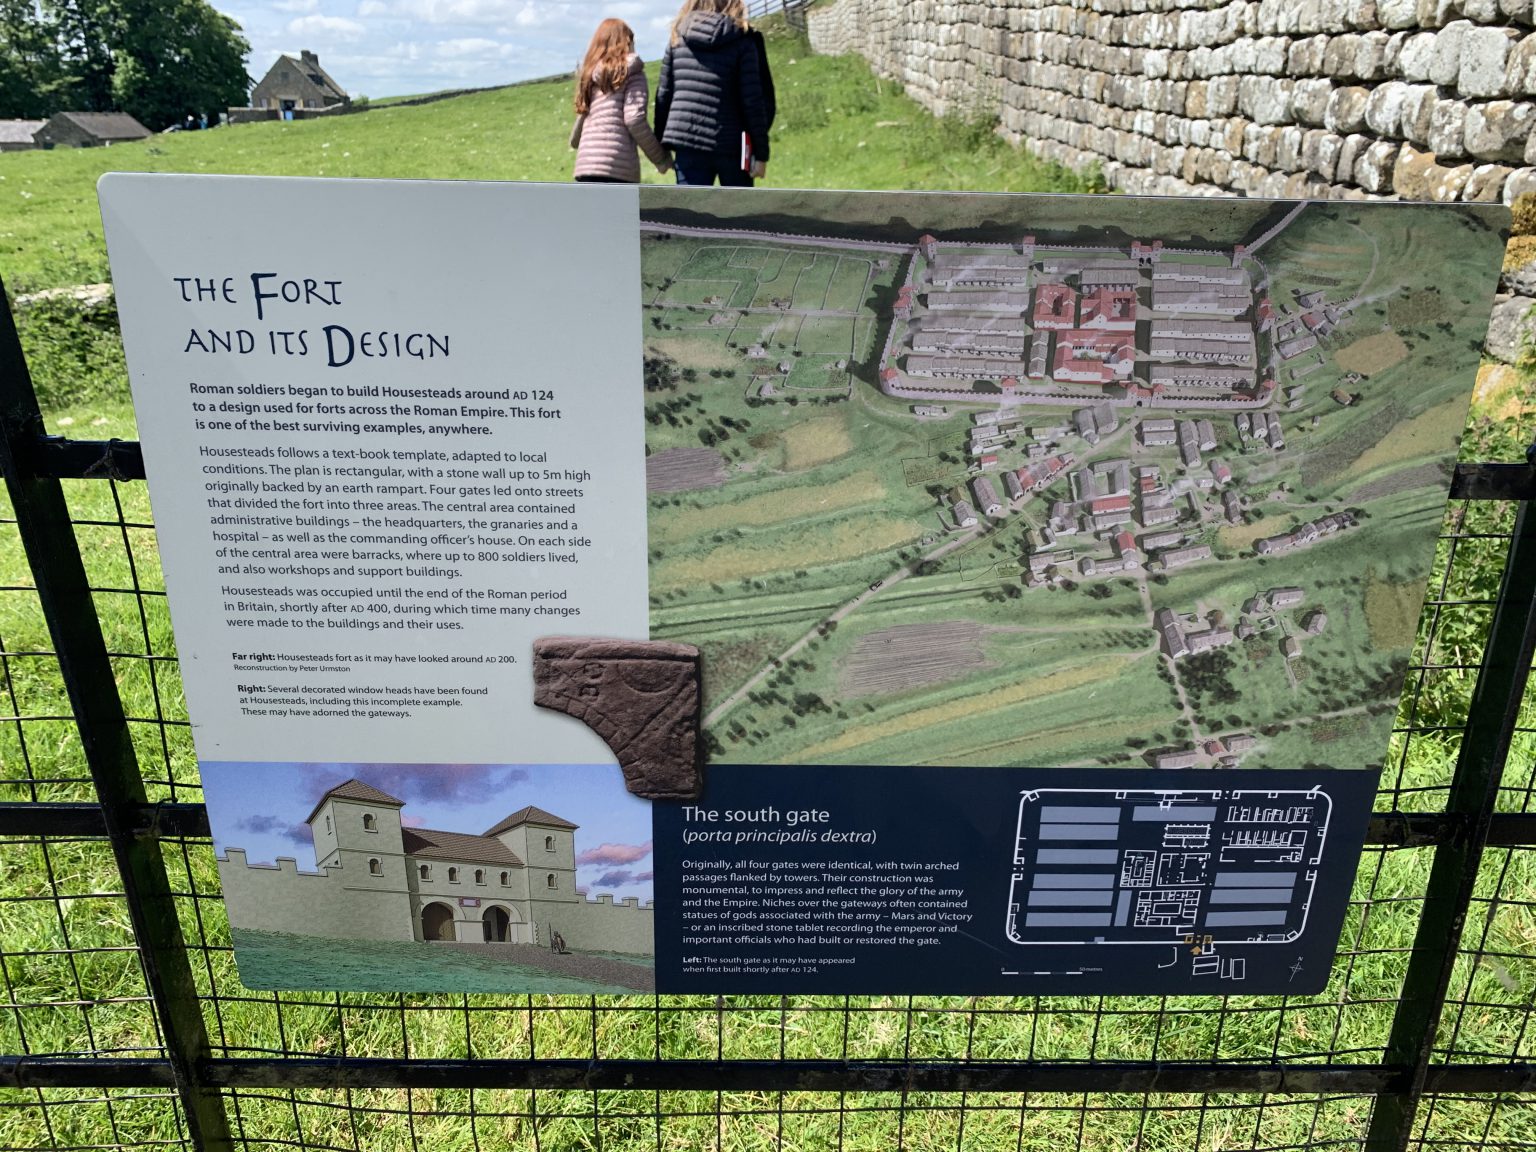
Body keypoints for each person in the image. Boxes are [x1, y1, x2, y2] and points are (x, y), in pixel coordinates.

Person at [655, 0, 772, 186]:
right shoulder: (742, 38)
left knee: (691, 212)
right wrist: (761, 154)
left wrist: (660, 149)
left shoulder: (677, 36)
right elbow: (753, 101)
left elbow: (664, 95)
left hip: (687, 140)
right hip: (732, 144)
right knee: (737, 212)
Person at [570, 18, 672, 184]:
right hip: (618, 168)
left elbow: (576, 138)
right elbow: (634, 120)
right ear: (627, 43)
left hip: (585, 168)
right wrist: (660, 158)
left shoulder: (591, 78)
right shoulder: (632, 74)